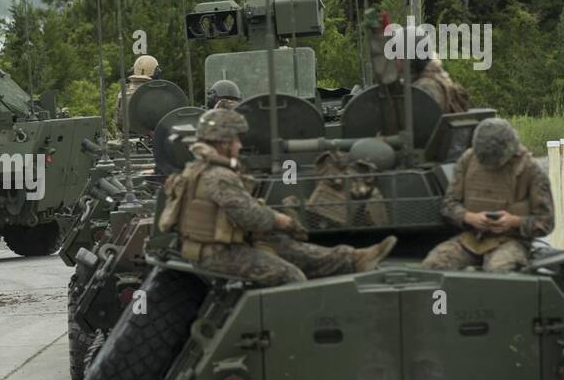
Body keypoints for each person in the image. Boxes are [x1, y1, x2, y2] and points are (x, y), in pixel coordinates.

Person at [159, 108, 396, 286]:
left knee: (287, 247)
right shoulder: (218, 175)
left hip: (217, 247)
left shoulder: (198, 168)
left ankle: (352, 260)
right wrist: (283, 221)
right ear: (223, 142)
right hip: (216, 254)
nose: (240, 145)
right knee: (291, 276)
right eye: (236, 140)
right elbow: (252, 217)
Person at [421, 117, 554, 272]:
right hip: (471, 239)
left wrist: (513, 221)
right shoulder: (468, 160)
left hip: (511, 241)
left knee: (499, 272)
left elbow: (546, 222)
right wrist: (469, 217)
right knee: (433, 266)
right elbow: (448, 205)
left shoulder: (531, 170)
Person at [113, 55, 160, 134]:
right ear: (156, 72)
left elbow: (118, 121)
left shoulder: (123, 92)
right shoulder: (158, 92)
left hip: (128, 138)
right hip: (153, 138)